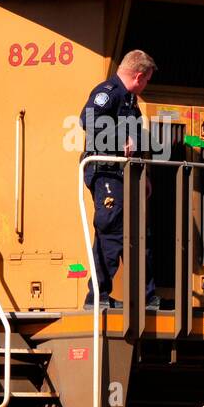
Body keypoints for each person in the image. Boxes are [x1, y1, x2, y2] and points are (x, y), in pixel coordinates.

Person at [80, 49, 161, 311]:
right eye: (147, 80)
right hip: (107, 172)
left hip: (128, 173)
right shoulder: (108, 92)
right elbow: (87, 120)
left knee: (139, 233)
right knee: (111, 230)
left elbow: (136, 137)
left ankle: (145, 296)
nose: (146, 85)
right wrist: (118, 140)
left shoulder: (129, 99)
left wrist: (144, 173)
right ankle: (98, 296)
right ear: (139, 76)